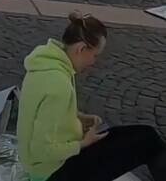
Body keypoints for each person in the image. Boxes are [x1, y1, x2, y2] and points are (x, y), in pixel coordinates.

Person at [17, 13, 166, 181]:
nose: (94, 62)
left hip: (49, 164)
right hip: (53, 173)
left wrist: (78, 117)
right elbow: (41, 150)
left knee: (144, 135)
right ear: (81, 49)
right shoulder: (57, 85)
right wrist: (83, 143)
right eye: (95, 55)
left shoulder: (45, 65)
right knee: (147, 142)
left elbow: (42, 112)